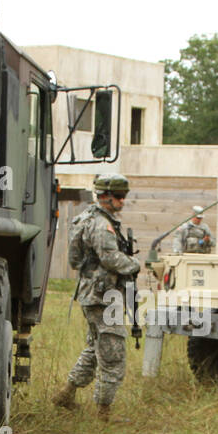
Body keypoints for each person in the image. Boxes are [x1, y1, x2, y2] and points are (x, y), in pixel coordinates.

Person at [52, 173, 141, 419]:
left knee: (95, 347)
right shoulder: (103, 225)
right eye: (120, 197)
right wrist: (133, 264)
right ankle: (104, 412)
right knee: (113, 353)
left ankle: (65, 394)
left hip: (91, 294)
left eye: (125, 196)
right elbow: (111, 258)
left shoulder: (85, 219)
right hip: (105, 297)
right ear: (105, 196)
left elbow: (74, 260)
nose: (123, 201)